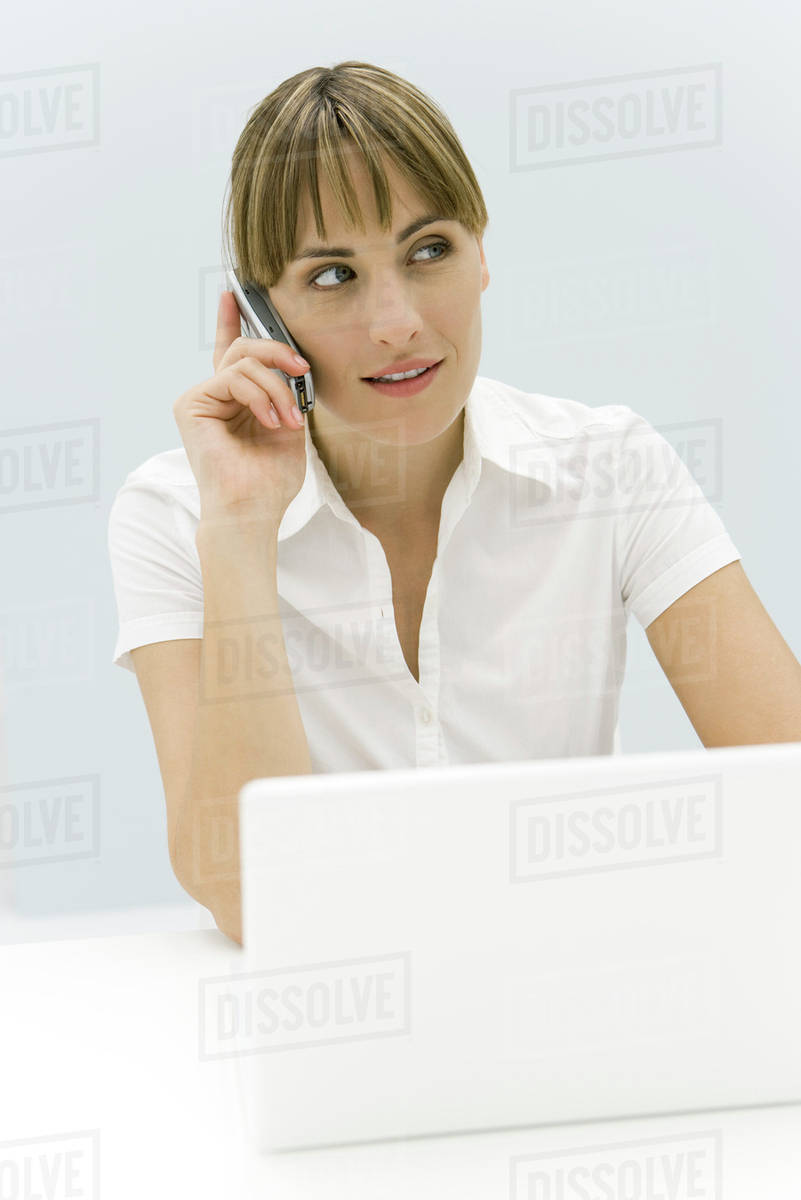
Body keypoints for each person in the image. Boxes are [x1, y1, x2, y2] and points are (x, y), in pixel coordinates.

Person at [108, 62, 746, 944]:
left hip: (573, 996)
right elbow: (250, 899)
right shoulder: (178, 514)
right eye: (332, 275)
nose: (397, 320)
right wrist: (242, 529)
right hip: (330, 1025)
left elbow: (781, 777)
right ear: (262, 317)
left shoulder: (610, 469)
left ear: (482, 253)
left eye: (428, 250)